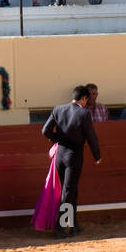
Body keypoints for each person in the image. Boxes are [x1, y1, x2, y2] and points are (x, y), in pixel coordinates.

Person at [42, 85, 101, 239]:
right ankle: (60, 227)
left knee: (71, 190)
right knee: (68, 192)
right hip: (74, 157)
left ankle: (73, 225)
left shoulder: (58, 109)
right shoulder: (84, 114)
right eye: (87, 100)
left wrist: (59, 139)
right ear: (83, 98)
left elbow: (45, 131)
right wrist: (97, 156)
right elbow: (91, 136)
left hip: (59, 157)